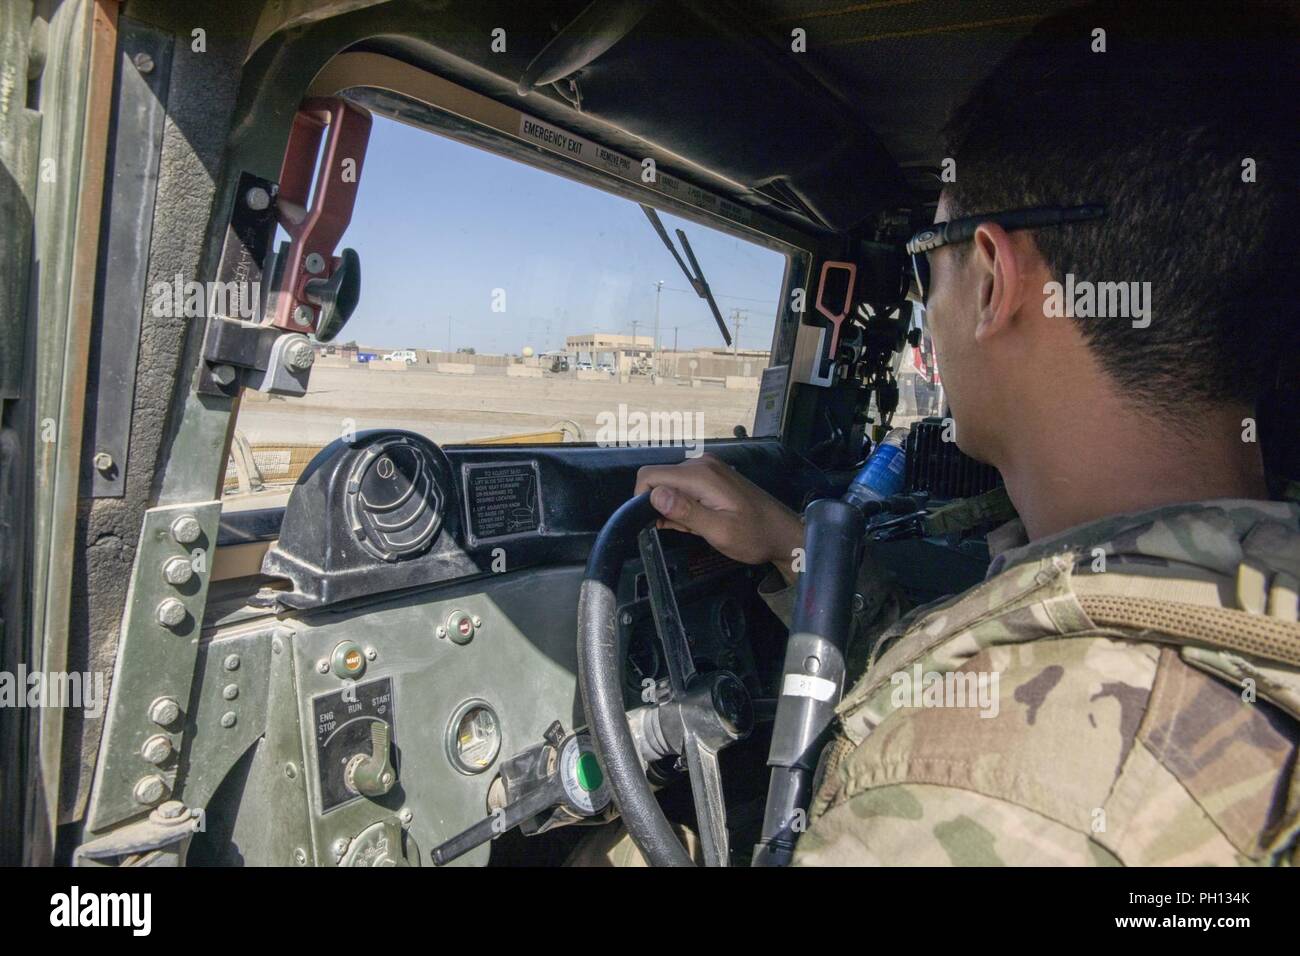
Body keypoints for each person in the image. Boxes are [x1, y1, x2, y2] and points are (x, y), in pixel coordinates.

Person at [634, 0, 1300, 865]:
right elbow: (1007, 668)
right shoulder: (1237, 586)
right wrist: (798, 551)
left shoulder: (967, 797)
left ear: (992, 277)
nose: (925, 307)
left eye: (925, 263)